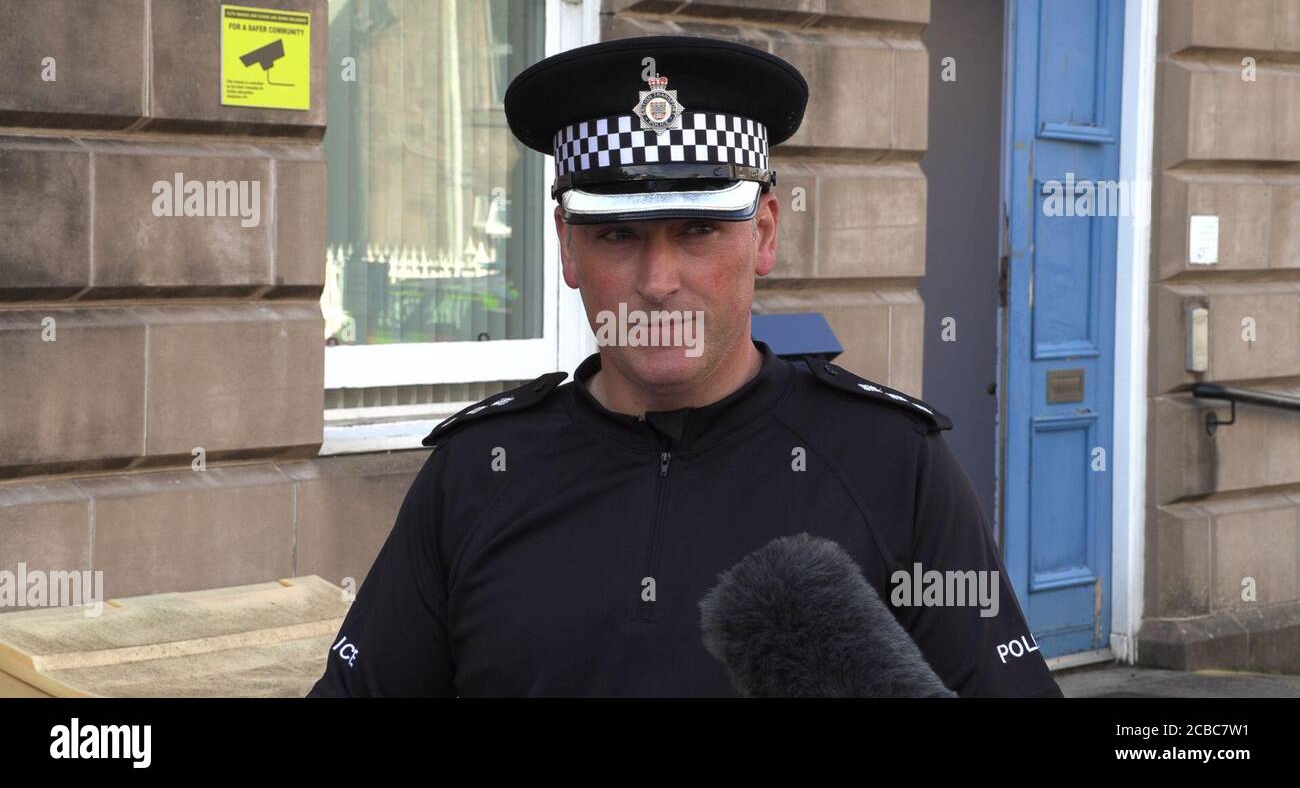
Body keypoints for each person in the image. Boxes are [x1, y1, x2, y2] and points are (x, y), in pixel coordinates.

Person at [307, 35, 1063, 698]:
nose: (659, 278)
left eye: (698, 228)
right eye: (619, 234)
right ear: (568, 247)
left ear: (763, 233)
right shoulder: (476, 473)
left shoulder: (893, 464)